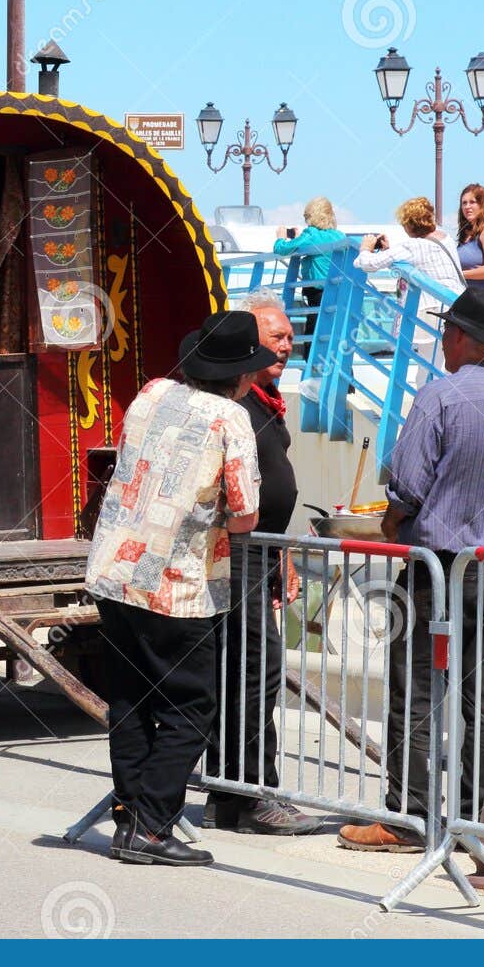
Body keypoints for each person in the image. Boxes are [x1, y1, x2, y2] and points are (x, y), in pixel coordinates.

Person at [337, 288, 484, 852]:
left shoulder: (438, 398)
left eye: (447, 332)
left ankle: (410, 817)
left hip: (437, 570)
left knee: (417, 691)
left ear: (458, 336)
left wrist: (390, 527)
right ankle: (479, 819)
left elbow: (406, 489)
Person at [86, 311, 276, 866]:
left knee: (130, 700)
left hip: (116, 568)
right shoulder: (231, 417)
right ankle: (151, 826)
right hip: (175, 583)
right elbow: (244, 514)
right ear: (242, 376)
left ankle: (129, 818)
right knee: (191, 705)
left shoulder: (151, 393)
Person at [202, 292, 317, 836]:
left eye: (291, 337)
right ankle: (247, 795)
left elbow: (273, 490)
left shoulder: (265, 400)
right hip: (235, 556)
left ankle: (233, 796)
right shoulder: (235, 404)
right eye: (277, 337)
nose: (287, 346)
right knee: (252, 671)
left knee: (250, 671)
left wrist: (283, 555)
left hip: (261, 553)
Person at [355, 197, 465, 378]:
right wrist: (388, 250)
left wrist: (365, 248)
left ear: (409, 224)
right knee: (446, 367)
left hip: (435, 313)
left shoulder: (414, 246)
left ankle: (431, 404)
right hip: (458, 308)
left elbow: (367, 264)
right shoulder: (446, 239)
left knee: (427, 371)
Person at [273, 196, 346, 338]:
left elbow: (282, 249)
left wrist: (280, 237)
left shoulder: (311, 234)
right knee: (332, 334)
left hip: (318, 293)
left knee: (313, 336)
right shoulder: (339, 236)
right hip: (338, 291)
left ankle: (311, 359)